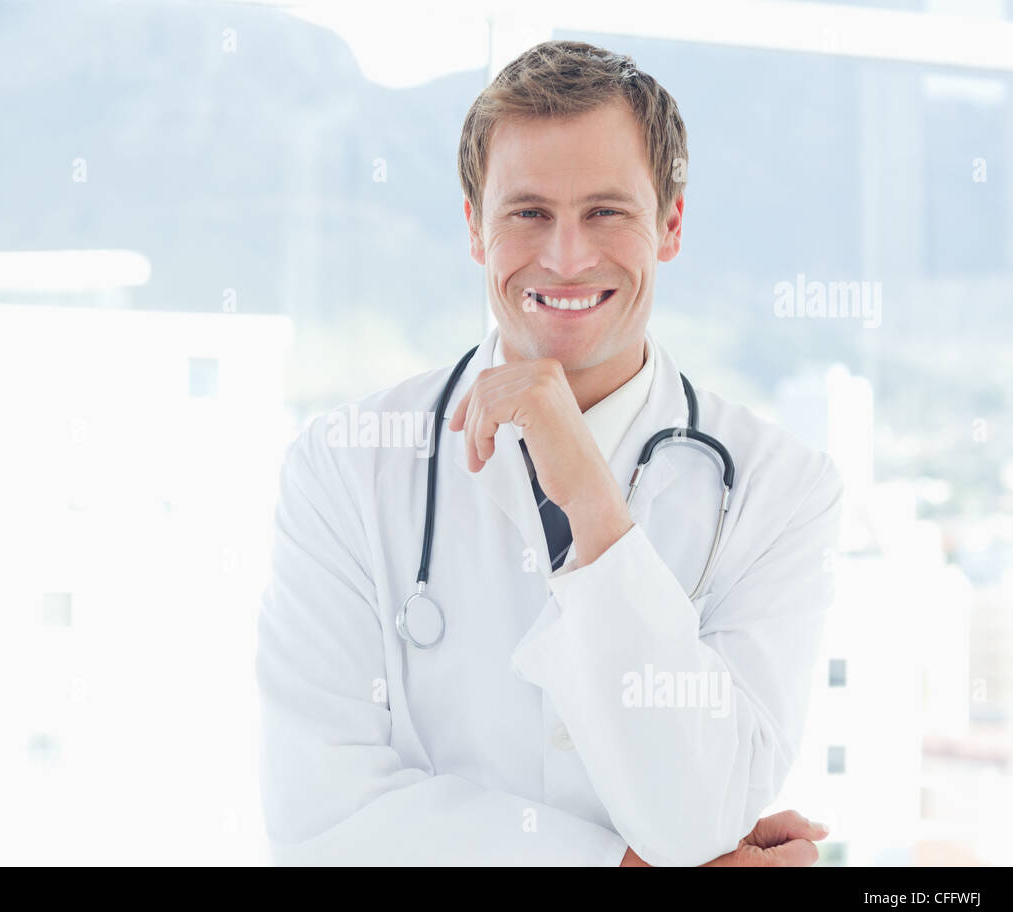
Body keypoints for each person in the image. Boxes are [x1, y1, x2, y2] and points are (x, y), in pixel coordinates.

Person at [255, 40, 843, 866]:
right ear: (474, 228)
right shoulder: (344, 467)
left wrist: (595, 506)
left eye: (606, 211)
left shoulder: (779, 489)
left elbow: (704, 814)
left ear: (670, 224)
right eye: (529, 212)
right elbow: (319, 819)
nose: (566, 257)